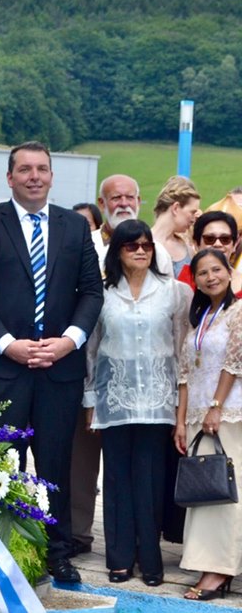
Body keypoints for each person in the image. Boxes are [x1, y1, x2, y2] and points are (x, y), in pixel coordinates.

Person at [0, 140, 104, 582]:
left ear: (52, 176)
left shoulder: (73, 228)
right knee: (0, 462)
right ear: (10, 177)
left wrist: (69, 342)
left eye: (42, 168)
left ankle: (58, 553)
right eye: (25, 169)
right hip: (3, 367)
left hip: (59, 368)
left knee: (55, 464)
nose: (35, 176)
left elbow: (91, 292)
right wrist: (7, 343)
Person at [83, 220, 190, 586]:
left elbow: (182, 350)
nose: (141, 250)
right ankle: (119, 559)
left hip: (159, 401)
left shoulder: (174, 292)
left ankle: (151, 560)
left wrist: (181, 406)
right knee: (116, 480)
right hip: (115, 399)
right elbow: (92, 351)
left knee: (150, 482)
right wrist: (90, 400)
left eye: (146, 245)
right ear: (118, 251)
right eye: (132, 246)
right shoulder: (102, 294)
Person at [175, 248, 242, 600]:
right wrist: (182, 420)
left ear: (229, 272)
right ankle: (207, 563)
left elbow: (234, 363)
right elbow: (185, 372)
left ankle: (219, 572)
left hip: (228, 415)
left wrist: (216, 406)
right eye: (203, 273)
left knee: (226, 493)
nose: (211, 277)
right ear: (196, 281)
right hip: (198, 416)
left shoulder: (238, 312)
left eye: (217, 270)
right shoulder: (200, 316)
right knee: (205, 492)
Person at [178, 211, 242, 294]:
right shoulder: (184, 281)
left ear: (234, 245)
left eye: (225, 239)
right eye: (209, 239)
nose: (217, 244)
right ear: (196, 244)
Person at [152, 176, 201, 277]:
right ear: (176, 208)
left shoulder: (189, 251)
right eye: (192, 212)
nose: (193, 219)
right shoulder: (141, 246)